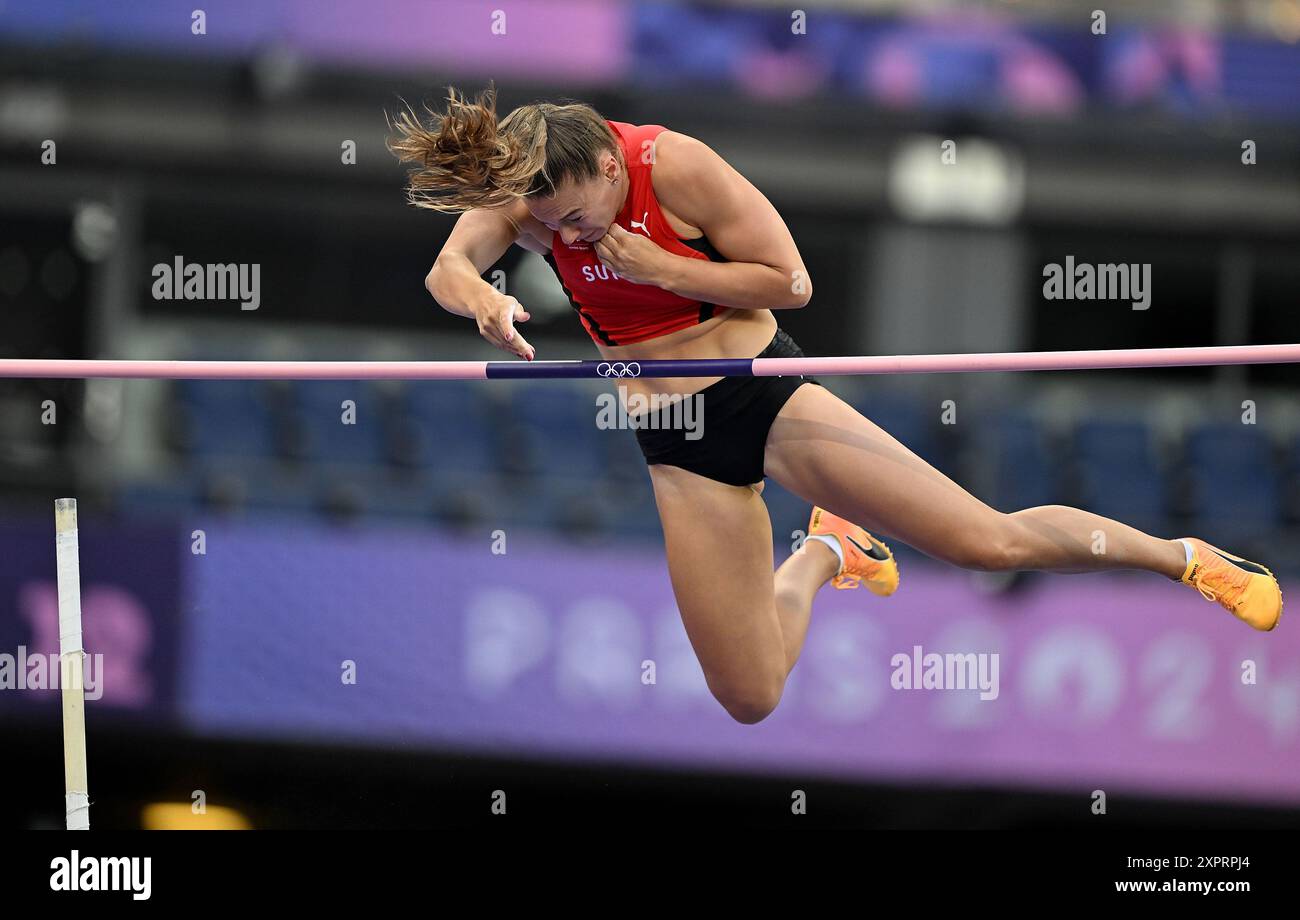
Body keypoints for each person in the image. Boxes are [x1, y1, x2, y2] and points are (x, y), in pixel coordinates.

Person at [387, 85, 1282, 724]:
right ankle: (826, 550)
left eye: (583, 219)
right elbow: (447, 267)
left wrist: (664, 269)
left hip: (763, 396)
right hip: (670, 434)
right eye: (558, 229)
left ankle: (1184, 559)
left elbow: (792, 282)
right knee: (750, 697)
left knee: (985, 541)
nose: (572, 240)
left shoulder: (676, 166)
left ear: (611, 168)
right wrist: (488, 301)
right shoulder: (533, 199)